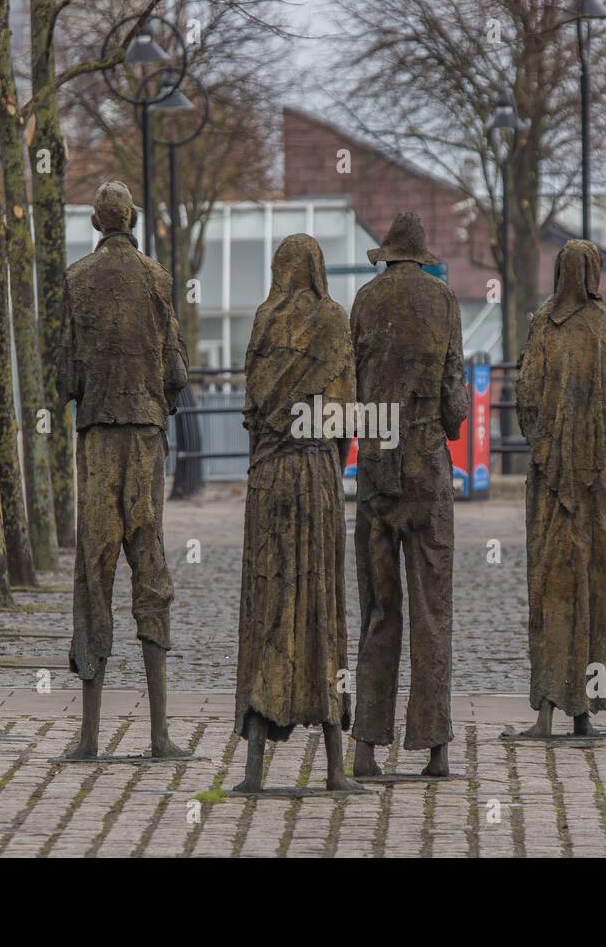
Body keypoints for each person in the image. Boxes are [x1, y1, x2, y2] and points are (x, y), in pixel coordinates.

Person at [58, 180, 189, 759]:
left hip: (98, 439)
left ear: (95, 223)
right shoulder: (157, 278)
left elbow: (64, 377)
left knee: (95, 573)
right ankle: (160, 733)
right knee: (150, 568)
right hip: (145, 436)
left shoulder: (76, 278)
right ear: (132, 219)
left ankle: (89, 736)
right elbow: (177, 374)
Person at [233, 234, 361, 793]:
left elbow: (249, 412)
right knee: (322, 606)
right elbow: (345, 418)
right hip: (316, 476)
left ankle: (255, 766)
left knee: (269, 604)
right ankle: (335, 765)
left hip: (268, 479)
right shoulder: (333, 320)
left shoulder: (263, 321)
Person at [350, 212, 467, 778]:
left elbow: (349, 390)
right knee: (432, 610)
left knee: (379, 610)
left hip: (376, 471)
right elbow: (456, 405)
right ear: (421, 256)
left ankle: (366, 745)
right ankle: (435, 745)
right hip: (427, 471)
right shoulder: (444, 302)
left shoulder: (364, 302)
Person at [512, 240, 606, 737]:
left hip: (551, 478)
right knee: (595, 585)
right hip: (597, 481)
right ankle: (583, 712)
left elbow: (525, 395)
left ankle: (548, 709)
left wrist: (545, 448)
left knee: (551, 584)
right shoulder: (605, 326)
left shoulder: (542, 323)